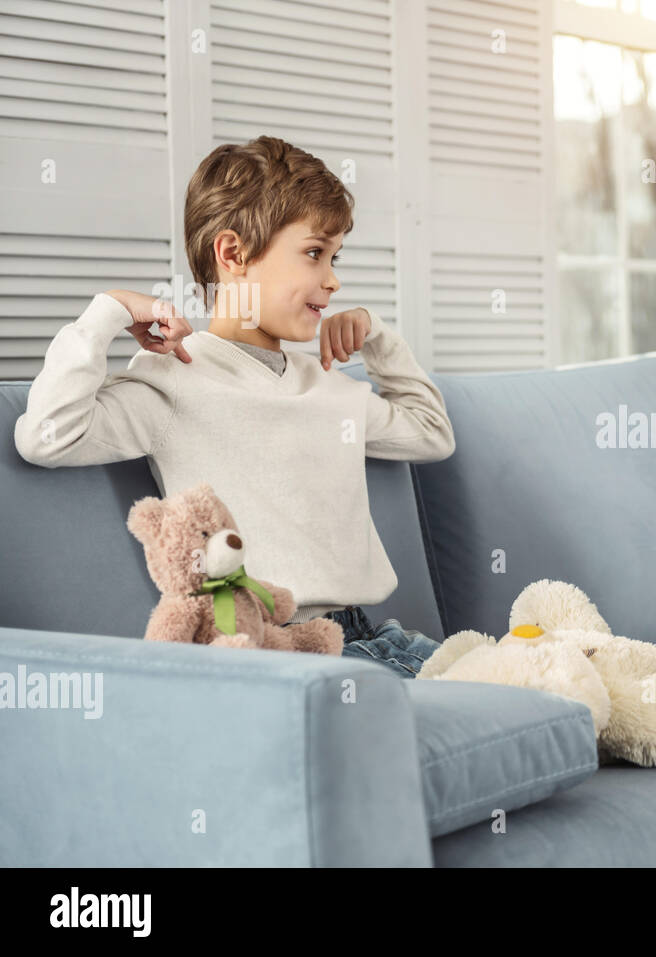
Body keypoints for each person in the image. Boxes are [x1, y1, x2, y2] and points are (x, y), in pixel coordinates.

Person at [13, 135, 453, 678]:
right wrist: (110, 310)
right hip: (273, 650)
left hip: (371, 637)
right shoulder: (176, 378)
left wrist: (376, 335)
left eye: (335, 257)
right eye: (314, 253)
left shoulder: (328, 384)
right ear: (233, 254)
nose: (333, 280)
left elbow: (432, 434)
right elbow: (48, 436)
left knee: (530, 679)